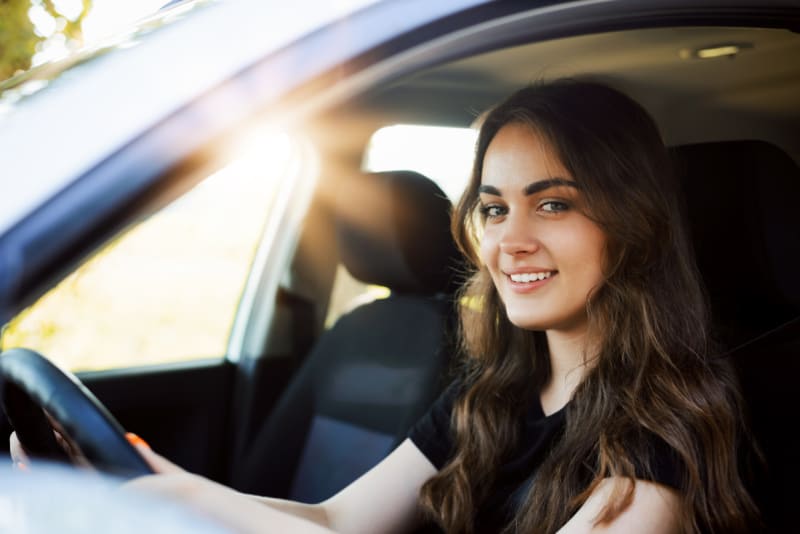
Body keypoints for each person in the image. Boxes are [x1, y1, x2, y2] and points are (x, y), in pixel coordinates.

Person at [10, 79, 760, 533]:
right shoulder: (490, 396)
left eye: (553, 203)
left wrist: (150, 503)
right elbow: (337, 521)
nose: (510, 241)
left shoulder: (660, 442)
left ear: (631, 224)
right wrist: (158, 484)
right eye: (494, 209)